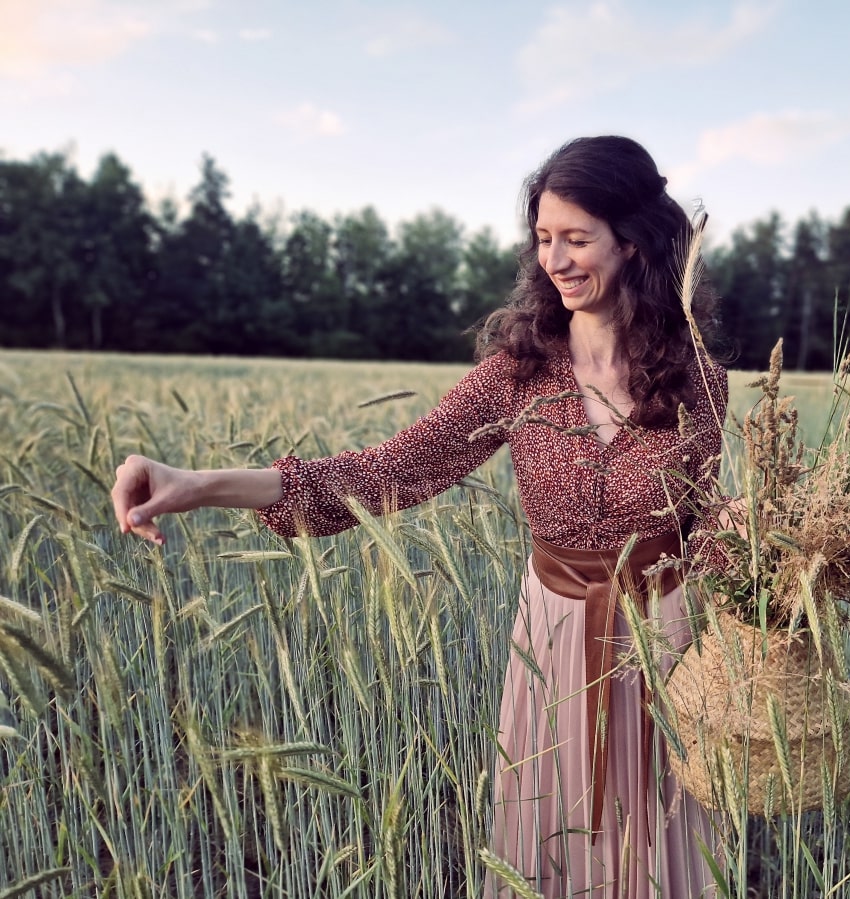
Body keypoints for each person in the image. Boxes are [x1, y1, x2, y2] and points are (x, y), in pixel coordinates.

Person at [111, 135, 728, 898]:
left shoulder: (698, 378)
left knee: (657, 851)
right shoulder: (518, 375)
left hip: (662, 644)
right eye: (542, 239)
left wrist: (787, 576)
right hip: (555, 640)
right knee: (552, 849)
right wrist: (196, 483)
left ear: (632, 241)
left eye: (576, 238)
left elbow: (706, 530)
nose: (555, 260)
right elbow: (386, 473)